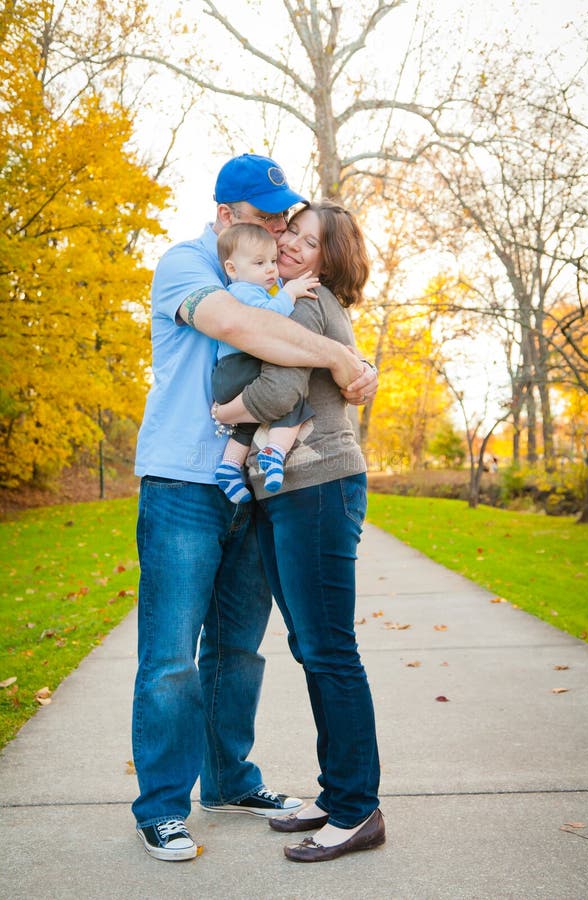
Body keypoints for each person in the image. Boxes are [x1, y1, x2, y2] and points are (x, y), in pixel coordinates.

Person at [132, 154, 378, 862]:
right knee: (172, 657)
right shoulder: (186, 264)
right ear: (223, 215)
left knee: (238, 651)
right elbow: (246, 330)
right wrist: (339, 359)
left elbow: (312, 323)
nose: (275, 229)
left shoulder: (275, 273)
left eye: (282, 217)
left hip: (257, 493)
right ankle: (161, 807)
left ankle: (232, 782)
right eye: (263, 216)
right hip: (184, 482)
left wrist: (345, 358)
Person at [213, 200, 385, 863]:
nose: (292, 248)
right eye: (293, 236)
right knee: (314, 646)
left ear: (329, 257)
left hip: (319, 485)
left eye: (310, 243)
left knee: (329, 648)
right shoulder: (294, 298)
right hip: (299, 490)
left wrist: (229, 410)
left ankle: (358, 809)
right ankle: (339, 790)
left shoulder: (308, 304)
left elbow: (282, 388)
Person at [212, 222, 319, 503]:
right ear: (232, 269)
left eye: (273, 260)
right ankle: (275, 453)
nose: (271, 268)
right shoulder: (241, 292)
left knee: (247, 424)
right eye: (260, 263)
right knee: (292, 402)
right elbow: (268, 320)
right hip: (241, 367)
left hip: (230, 374)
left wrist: (281, 287)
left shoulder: (252, 289)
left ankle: (229, 467)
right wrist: (290, 292)